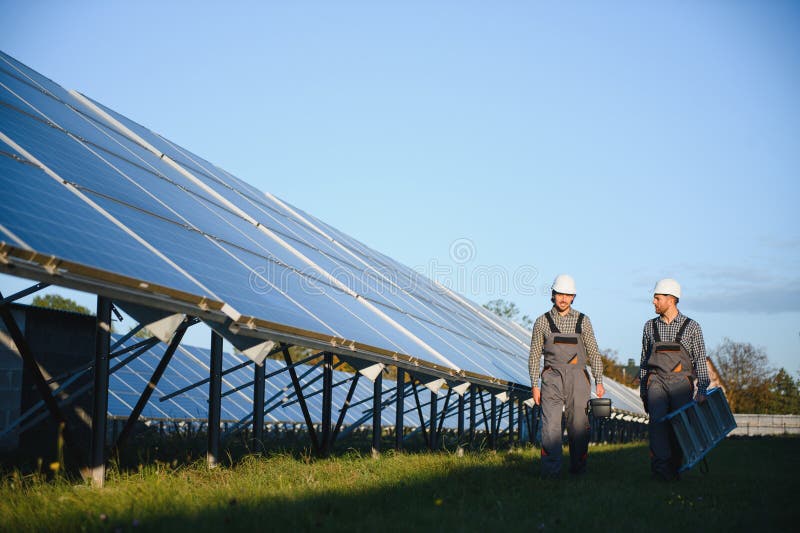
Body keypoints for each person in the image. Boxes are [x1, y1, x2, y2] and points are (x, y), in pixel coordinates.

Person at [529, 274, 605, 478]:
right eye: (560, 294)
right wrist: (534, 385)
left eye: (568, 295)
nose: (563, 298)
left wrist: (599, 380)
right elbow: (534, 355)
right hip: (551, 377)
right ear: (553, 295)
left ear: (573, 297)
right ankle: (550, 472)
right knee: (550, 427)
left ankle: (578, 470)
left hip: (578, 377)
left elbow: (593, 352)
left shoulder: (583, 321)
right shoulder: (542, 322)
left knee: (578, 426)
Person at [639, 278, 710, 481]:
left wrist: (702, 390)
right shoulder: (649, 327)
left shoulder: (692, 327)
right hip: (656, 381)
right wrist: (644, 391)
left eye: (657, 298)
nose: (653, 302)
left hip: (681, 383)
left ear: (671, 299)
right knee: (657, 425)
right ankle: (660, 472)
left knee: (679, 425)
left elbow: (700, 360)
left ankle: (675, 469)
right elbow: (644, 361)